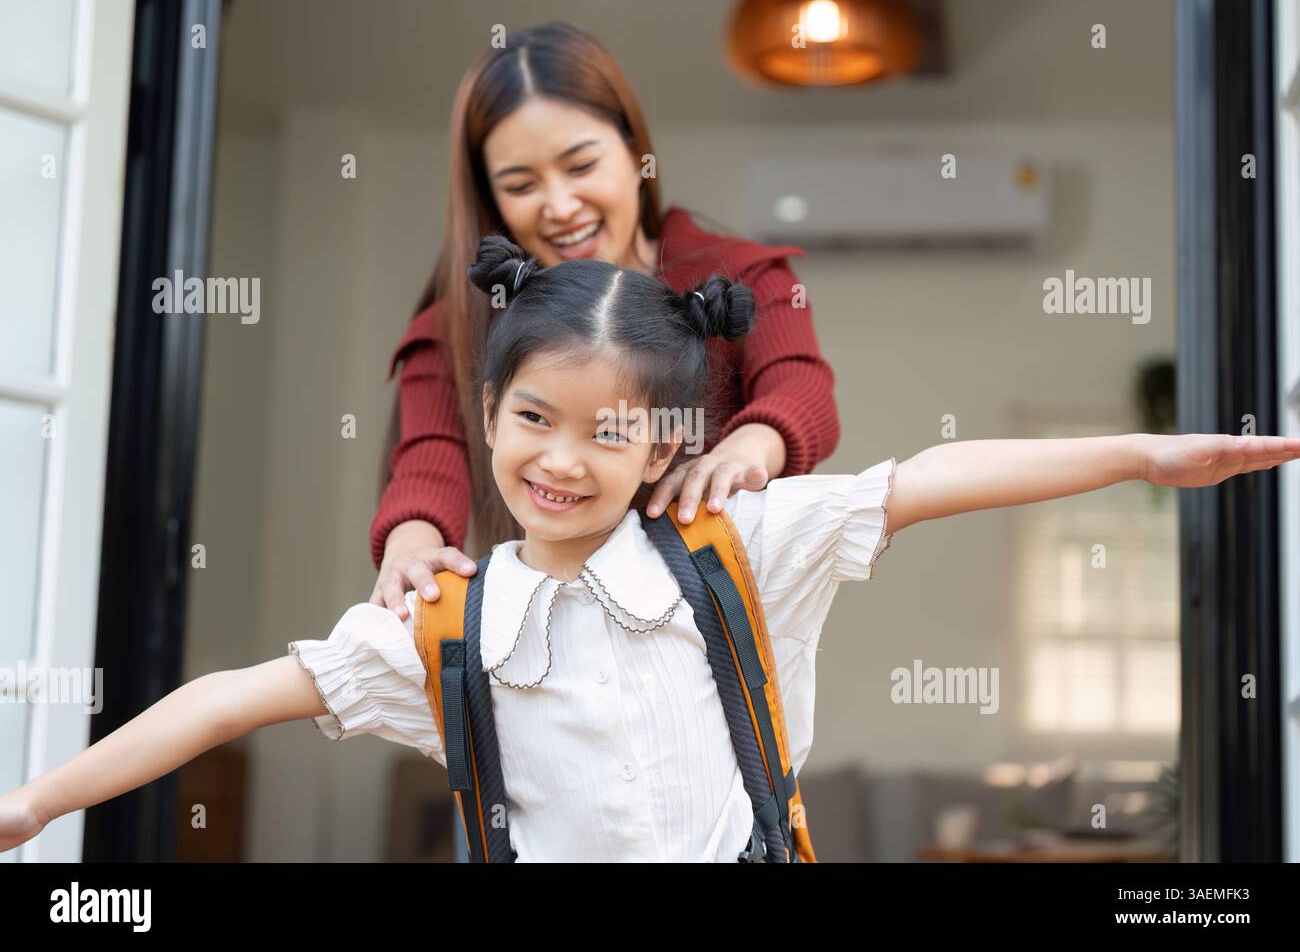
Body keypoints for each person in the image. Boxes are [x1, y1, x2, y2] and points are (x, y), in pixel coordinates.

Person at [3, 236, 1296, 861]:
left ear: (664, 440)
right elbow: (230, 698)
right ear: (488, 415)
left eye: (606, 430)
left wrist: (1135, 459)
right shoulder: (449, 622)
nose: (559, 461)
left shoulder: (737, 546)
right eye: (530, 420)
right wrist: (36, 804)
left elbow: (923, 481)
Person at [371, 21, 842, 624]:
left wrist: (743, 451)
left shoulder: (740, 277)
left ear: (632, 148)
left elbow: (801, 387)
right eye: (521, 184)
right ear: (490, 197)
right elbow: (429, 454)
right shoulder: (459, 324)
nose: (561, 205)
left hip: (710, 634)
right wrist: (413, 543)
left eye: (581, 165)